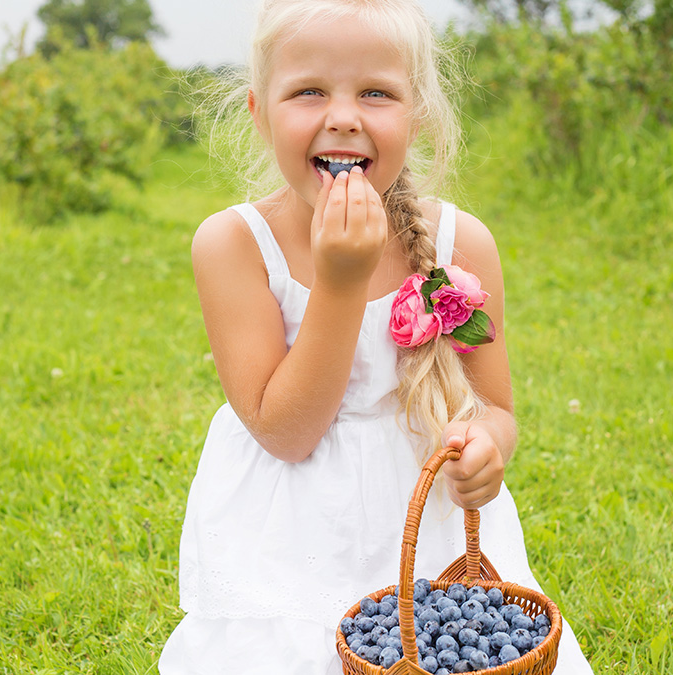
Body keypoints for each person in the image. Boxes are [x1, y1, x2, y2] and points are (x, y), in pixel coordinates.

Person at [159, 0, 594, 673]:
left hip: (431, 534)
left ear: (415, 113)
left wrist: (487, 446)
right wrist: (339, 280)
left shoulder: (460, 243)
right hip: (293, 541)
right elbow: (286, 431)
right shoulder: (233, 245)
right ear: (259, 110)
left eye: (375, 92)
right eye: (308, 90)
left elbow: (497, 409)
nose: (342, 115)